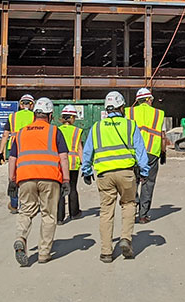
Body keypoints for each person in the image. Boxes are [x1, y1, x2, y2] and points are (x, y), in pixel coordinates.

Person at [82, 91, 148, 263]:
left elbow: (88, 151)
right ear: (121, 107)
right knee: (128, 204)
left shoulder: (96, 127)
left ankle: (106, 252)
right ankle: (125, 238)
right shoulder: (130, 125)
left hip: (104, 175)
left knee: (106, 211)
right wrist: (144, 171)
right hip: (126, 173)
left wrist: (87, 171)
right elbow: (141, 151)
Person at [9, 97, 69, 266]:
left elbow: (12, 157)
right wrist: (66, 179)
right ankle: (44, 253)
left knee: (26, 212)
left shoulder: (21, 132)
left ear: (35, 114)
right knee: (49, 214)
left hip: (25, 177)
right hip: (50, 177)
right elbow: (63, 157)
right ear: (50, 115)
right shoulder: (54, 131)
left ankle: (21, 237)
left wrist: (11, 180)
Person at [126, 87, 167, 223]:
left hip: (133, 153)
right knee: (148, 183)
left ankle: (134, 205)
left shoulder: (129, 112)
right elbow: (162, 135)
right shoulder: (158, 114)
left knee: (133, 181)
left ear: (137, 100)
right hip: (151, 153)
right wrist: (163, 152)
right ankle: (143, 215)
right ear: (149, 99)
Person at [0, 94, 36, 213]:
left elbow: (5, 134)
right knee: (30, 176)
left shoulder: (12, 117)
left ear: (21, 104)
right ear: (32, 104)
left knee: (13, 176)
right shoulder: (35, 116)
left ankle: (14, 204)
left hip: (14, 149)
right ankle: (29, 203)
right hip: (30, 149)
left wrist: (1, 152)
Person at [56, 105, 83, 223]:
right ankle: (74, 213)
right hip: (73, 163)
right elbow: (80, 149)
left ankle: (59, 218)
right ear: (72, 118)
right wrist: (85, 164)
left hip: (60, 163)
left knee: (60, 189)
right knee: (72, 187)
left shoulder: (56, 130)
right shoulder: (77, 131)